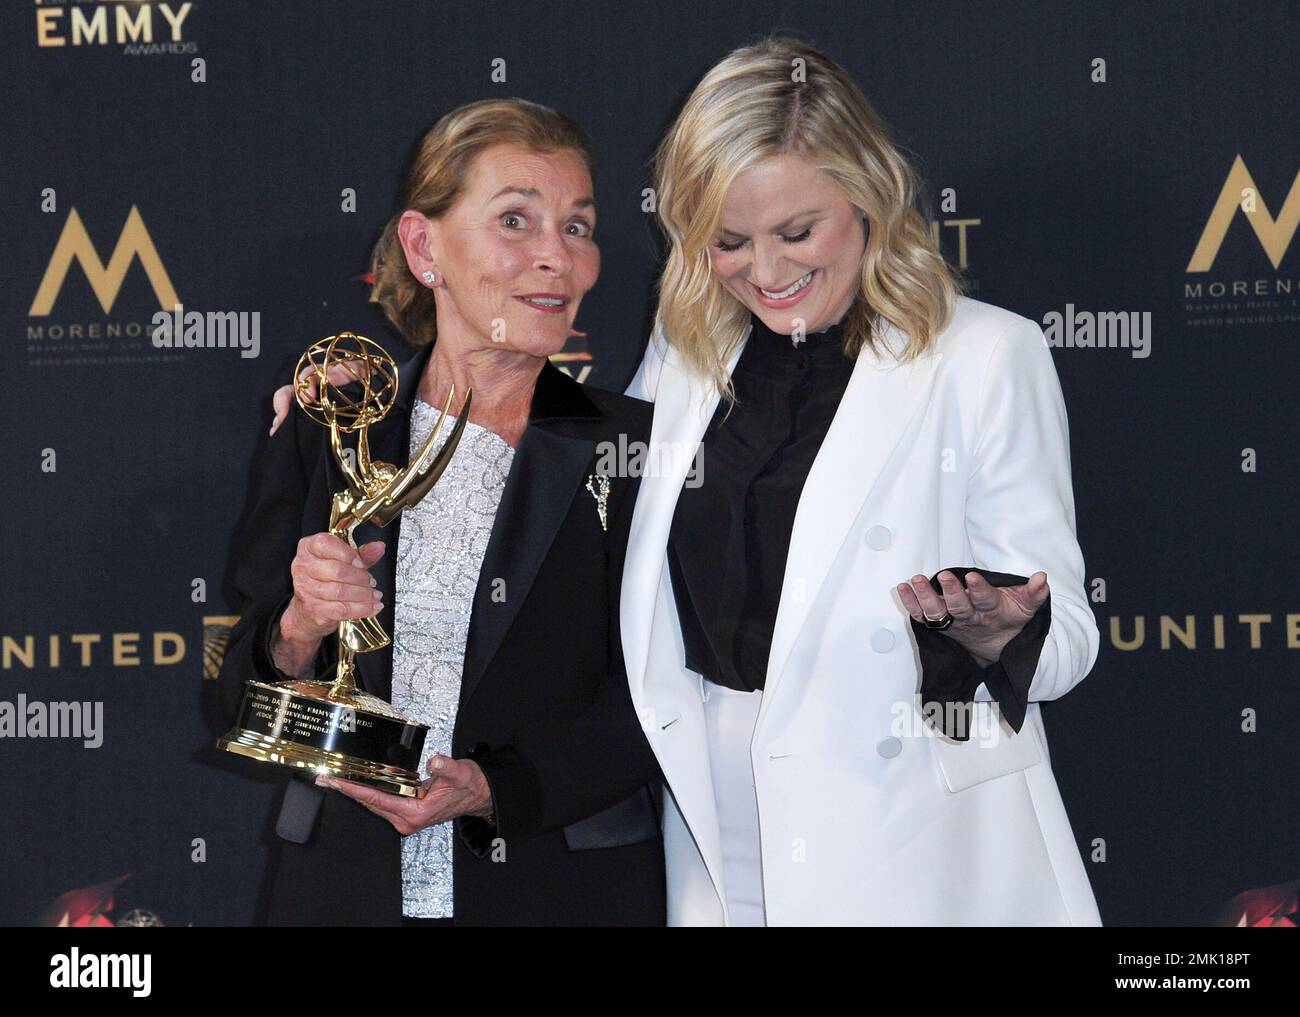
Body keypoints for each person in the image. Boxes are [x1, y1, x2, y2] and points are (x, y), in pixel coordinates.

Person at [619, 36, 1103, 925]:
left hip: (916, 826)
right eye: (728, 241)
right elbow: (598, 504)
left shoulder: (986, 356)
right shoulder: (687, 344)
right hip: (716, 805)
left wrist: (1003, 629)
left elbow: (1066, 634)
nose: (765, 273)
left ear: (869, 193)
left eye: (797, 232)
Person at [218, 98, 665, 927]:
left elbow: (666, 701)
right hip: (339, 896)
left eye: (577, 226)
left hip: (560, 894)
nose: (555, 258)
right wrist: (301, 625)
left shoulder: (637, 448)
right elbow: (233, 701)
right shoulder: (329, 425)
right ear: (425, 247)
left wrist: (494, 786)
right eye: (515, 220)